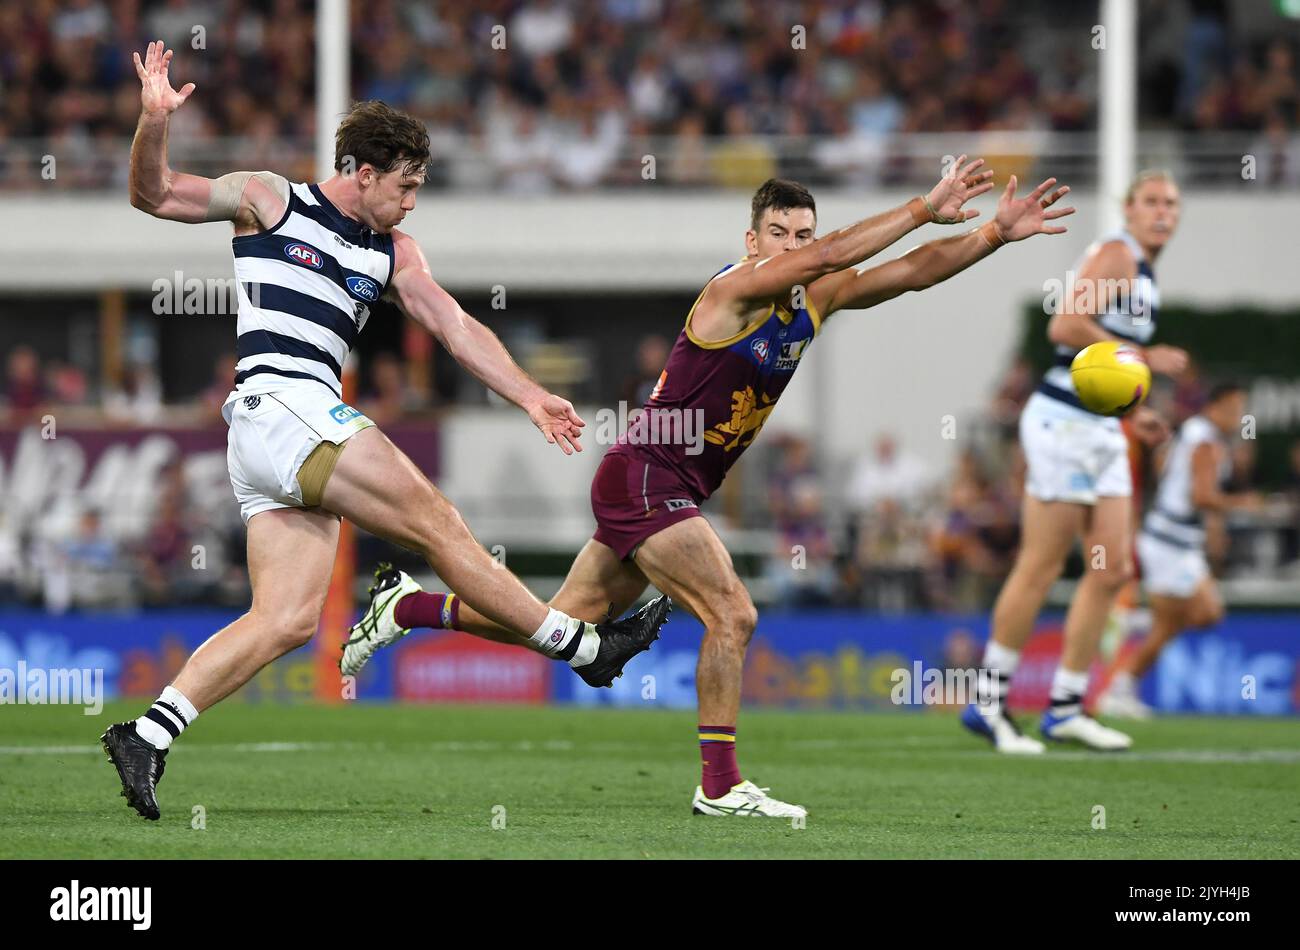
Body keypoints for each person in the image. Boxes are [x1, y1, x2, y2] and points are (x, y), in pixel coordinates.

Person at [346, 159, 1075, 816]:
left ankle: (406, 605)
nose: (795, 245)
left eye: (804, 233)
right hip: (646, 475)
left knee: (557, 624)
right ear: (753, 240)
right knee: (734, 612)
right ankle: (720, 785)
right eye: (780, 233)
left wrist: (991, 239)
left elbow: (908, 273)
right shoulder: (733, 291)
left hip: (662, 485)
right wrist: (922, 205)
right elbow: (834, 257)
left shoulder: (810, 303)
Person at [100, 42, 670, 821]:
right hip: (284, 405)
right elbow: (153, 194)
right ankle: (585, 649)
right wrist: (153, 120)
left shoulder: (394, 250)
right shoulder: (271, 199)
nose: (411, 203)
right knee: (436, 521)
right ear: (364, 172)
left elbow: (454, 326)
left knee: (289, 618)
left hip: (276, 441)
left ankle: (147, 734)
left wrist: (532, 396)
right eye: (405, 186)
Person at [962, 170, 1188, 753]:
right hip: (1063, 422)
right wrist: (1145, 356)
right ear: (1129, 208)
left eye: (1171, 203)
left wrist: (1134, 412)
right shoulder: (1118, 253)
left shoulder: (1144, 269)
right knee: (1040, 564)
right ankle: (989, 703)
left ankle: (1065, 708)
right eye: (1152, 201)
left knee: (1111, 569)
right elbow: (1063, 324)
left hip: (1101, 425)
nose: (1163, 211)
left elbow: (1099, 365)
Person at [1097, 383, 1257, 718]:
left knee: (1203, 615)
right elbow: (1203, 497)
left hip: (1177, 538)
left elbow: (1164, 466)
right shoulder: (1207, 441)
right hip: (1171, 543)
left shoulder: (1193, 431)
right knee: (1175, 624)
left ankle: (1131, 625)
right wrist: (1244, 504)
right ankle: (1120, 687)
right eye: (1234, 409)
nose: (1238, 417)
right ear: (1218, 404)